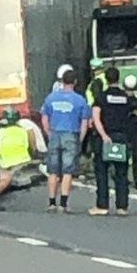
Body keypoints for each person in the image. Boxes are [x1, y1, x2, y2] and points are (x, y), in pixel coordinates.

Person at [89, 67, 137, 216]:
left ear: (106, 79)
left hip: (105, 137)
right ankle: (122, 206)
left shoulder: (101, 97)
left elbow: (96, 118)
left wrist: (103, 135)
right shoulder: (126, 97)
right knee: (121, 173)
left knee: (102, 172)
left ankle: (102, 206)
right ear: (118, 79)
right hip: (122, 137)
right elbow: (134, 115)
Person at [41, 69, 90, 213]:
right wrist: (80, 138)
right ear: (75, 82)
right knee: (68, 171)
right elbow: (84, 122)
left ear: (62, 81)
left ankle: (51, 203)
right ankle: (63, 203)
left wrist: (48, 133)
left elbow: (45, 118)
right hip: (71, 134)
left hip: (55, 133)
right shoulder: (80, 100)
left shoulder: (50, 98)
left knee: (53, 170)